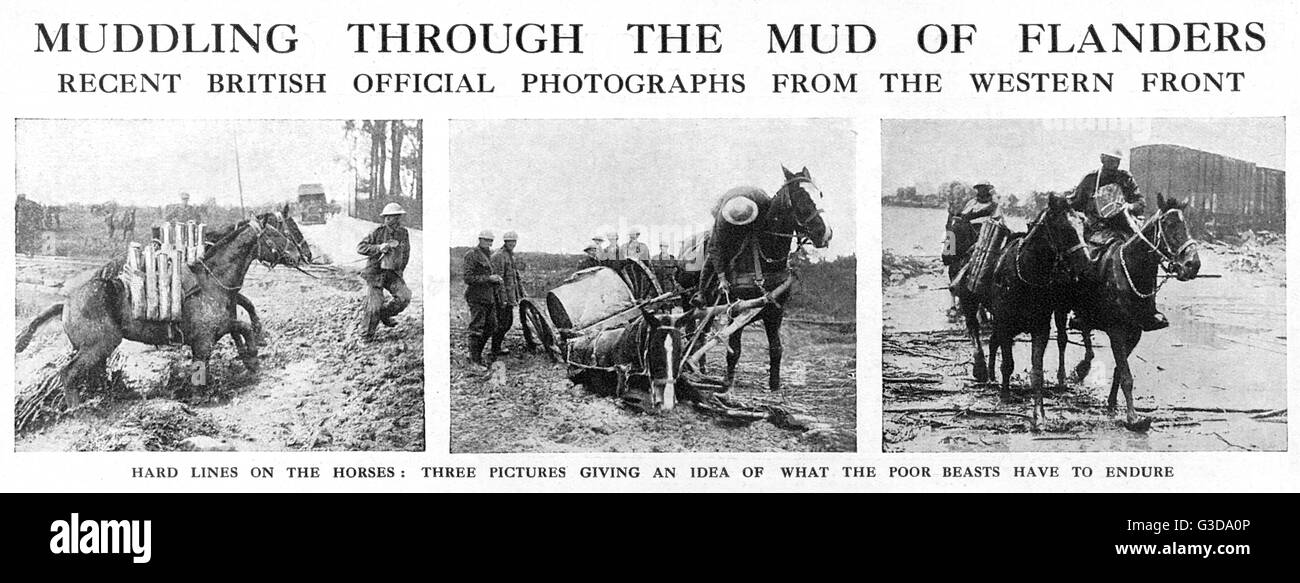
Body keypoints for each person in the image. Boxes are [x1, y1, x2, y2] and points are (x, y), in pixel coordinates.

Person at [1068, 149, 1166, 331]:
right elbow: (1074, 202)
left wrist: (1130, 206)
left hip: (1124, 228)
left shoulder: (1125, 178)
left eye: (1117, 161)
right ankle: (1082, 311)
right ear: (1102, 158)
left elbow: (1140, 202)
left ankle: (1149, 310)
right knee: (1088, 261)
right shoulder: (1090, 179)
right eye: (1110, 160)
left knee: (1147, 257)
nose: (1114, 165)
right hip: (1098, 231)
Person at [356, 203, 413, 341]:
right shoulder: (377, 232)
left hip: (392, 274)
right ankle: (365, 336)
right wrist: (378, 248)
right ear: (386, 218)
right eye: (392, 218)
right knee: (375, 305)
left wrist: (400, 270)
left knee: (404, 296)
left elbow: (406, 253)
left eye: (398, 217)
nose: (396, 220)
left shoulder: (403, 233)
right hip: (375, 273)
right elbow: (360, 247)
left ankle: (384, 314)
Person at [462, 230, 501, 365]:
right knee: (476, 328)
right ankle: (475, 361)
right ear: (480, 240)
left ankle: (476, 354)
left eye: (491, 241)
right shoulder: (472, 255)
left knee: (491, 326)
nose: (489, 243)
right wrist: (489, 278)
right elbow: (468, 278)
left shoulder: (488, 255)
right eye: (486, 240)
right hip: (476, 296)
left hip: (488, 297)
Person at [489, 231, 524, 356]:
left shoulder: (510, 256)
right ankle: (495, 348)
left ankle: (496, 347)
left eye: (514, 241)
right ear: (505, 242)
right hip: (502, 297)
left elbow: (515, 278)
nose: (512, 244)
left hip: (510, 296)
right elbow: (499, 280)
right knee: (502, 323)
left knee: (507, 323)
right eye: (510, 241)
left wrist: (521, 293)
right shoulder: (499, 256)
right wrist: (502, 299)